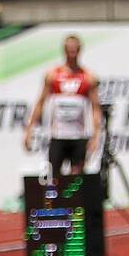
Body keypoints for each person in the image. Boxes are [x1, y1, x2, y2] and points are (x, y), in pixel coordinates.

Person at [23, 35, 102, 178]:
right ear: (64, 50)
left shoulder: (88, 77)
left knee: (76, 178)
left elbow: (96, 108)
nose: (72, 52)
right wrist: (29, 130)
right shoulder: (53, 75)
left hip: (78, 136)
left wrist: (96, 136)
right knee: (54, 177)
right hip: (58, 136)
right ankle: (55, 201)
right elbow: (40, 102)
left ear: (79, 50)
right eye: (69, 49)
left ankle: (73, 200)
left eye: (75, 49)